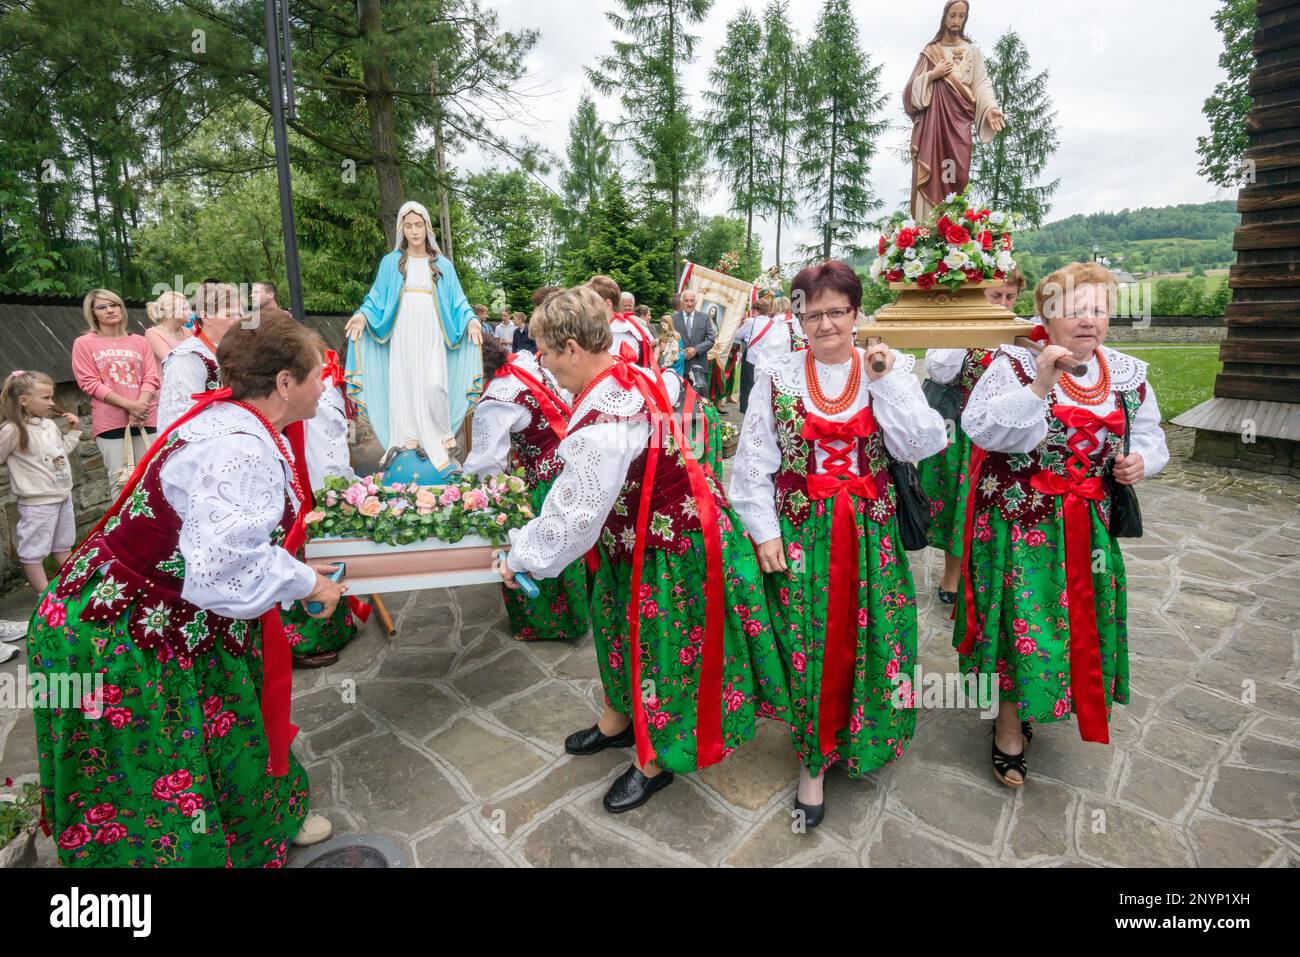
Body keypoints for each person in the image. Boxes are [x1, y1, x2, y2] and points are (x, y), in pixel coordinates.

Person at [28, 314, 343, 866]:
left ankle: (257, 827)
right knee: (156, 763)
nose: (327, 384)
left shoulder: (234, 421)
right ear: (287, 383)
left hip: (174, 617)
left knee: (226, 725)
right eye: (319, 374)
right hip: (121, 631)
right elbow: (225, 564)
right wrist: (309, 581)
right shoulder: (239, 446)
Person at [499, 286, 789, 813]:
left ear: (571, 348)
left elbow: (573, 517)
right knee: (617, 628)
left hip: (669, 546)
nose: (540, 361)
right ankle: (619, 720)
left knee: (664, 647)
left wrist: (519, 557)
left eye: (544, 350)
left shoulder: (608, 418)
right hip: (634, 540)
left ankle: (656, 760)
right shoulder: (626, 375)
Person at [730, 260, 947, 827]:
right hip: (803, 528)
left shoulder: (882, 369)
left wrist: (887, 379)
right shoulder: (777, 375)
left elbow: (921, 444)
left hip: (870, 529)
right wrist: (765, 531)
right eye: (812, 313)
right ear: (798, 317)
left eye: (836, 312)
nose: (824, 324)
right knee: (809, 638)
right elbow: (754, 460)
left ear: (856, 314)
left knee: (873, 630)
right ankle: (812, 760)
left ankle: (861, 736)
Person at [957, 263, 1169, 787]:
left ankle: (1045, 699)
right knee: (1019, 623)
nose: (1089, 321)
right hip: (1020, 525)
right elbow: (980, 428)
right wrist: (1040, 385)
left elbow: (1151, 436)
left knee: (1074, 623)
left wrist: (1141, 460)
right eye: (1075, 310)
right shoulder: (1013, 364)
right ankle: (1009, 725)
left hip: (1088, 527)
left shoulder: (1125, 373)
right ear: (1046, 316)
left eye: (1099, 310)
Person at [344, 201, 484, 472]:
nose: (414, 230)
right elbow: (376, 298)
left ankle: (440, 436)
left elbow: (458, 300)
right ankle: (407, 439)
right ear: (402, 229)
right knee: (404, 384)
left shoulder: (441, 264)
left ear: (427, 227)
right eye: (408, 226)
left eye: (418, 225)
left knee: (434, 385)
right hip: (403, 331)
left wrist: (471, 320)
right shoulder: (391, 263)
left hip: (432, 331)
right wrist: (362, 315)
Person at [466, 333, 588, 642]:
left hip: (545, 477)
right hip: (569, 461)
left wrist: (469, 492)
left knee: (535, 536)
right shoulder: (523, 364)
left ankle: (546, 623)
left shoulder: (496, 398)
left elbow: (485, 466)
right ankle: (576, 613)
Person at [917, 269, 1028, 603]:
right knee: (958, 501)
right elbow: (939, 370)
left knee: (994, 506)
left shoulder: (1023, 332)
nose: (1003, 304)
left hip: (1006, 434)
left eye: (1010, 297)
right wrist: (967, 330)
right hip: (961, 432)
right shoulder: (957, 328)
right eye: (995, 296)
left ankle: (990, 574)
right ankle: (952, 575)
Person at [287, 333, 362, 670]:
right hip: (315, 489)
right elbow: (326, 461)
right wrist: (351, 491)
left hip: (321, 484)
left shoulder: (333, 390)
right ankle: (305, 639)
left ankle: (330, 627)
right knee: (313, 552)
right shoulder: (323, 397)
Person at [904, 0, 1007, 221]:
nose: (956, 21)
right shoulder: (931, 52)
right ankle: (929, 229)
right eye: (952, 16)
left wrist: (990, 109)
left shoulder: (973, 51)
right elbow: (909, 93)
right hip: (934, 128)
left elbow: (981, 85)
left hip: (959, 126)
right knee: (933, 173)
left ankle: (952, 228)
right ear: (944, 16)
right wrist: (933, 75)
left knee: (956, 175)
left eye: (961, 16)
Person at [0, 372, 81, 613]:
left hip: (62, 497)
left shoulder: (48, 425)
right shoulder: (12, 430)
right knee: (33, 552)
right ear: (24, 400)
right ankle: (45, 599)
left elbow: (60, 454)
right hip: (37, 504)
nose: (51, 403)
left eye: (52, 397)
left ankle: (73, 588)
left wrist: (74, 432)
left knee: (63, 545)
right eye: (45, 398)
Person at [70, 289, 160, 497]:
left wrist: (140, 406)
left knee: (151, 480)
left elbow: (151, 377)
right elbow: (89, 382)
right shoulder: (84, 343)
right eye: (102, 307)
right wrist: (130, 406)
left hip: (147, 418)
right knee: (122, 482)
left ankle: (148, 529)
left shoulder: (140, 341)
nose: (110, 310)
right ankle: (124, 529)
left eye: (114, 305)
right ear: (93, 314)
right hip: (111, 422)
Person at [157, 282, 243, 431]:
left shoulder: (236, 350)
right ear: (206, 316)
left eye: (241, 314)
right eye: (230, 315)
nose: (239, 320)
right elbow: (182, 417)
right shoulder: (188, 357)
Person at [590, 275, 655, 367]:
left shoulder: (622, 330)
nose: (587, 308)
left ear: (608, 304)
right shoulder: (599, 327)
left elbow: (619, 374)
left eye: (591, 303)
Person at [672, 290, 715, 395]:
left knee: (700, 402)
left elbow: (711, 339)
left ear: (696, 302)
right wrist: (680, 352)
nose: (689, 303)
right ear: (682, 302)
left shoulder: (704, 317)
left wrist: (696, 350)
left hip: (699, 366)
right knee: (680, 401)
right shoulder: (673, 319)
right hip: (679, 367)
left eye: (692, 301)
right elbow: (669, 340)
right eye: (686, 301)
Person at [144, 290, 192, 365]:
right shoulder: (152, 333)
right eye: (185, 309)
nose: (190, 312)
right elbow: (170, 361)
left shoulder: (188, 332)